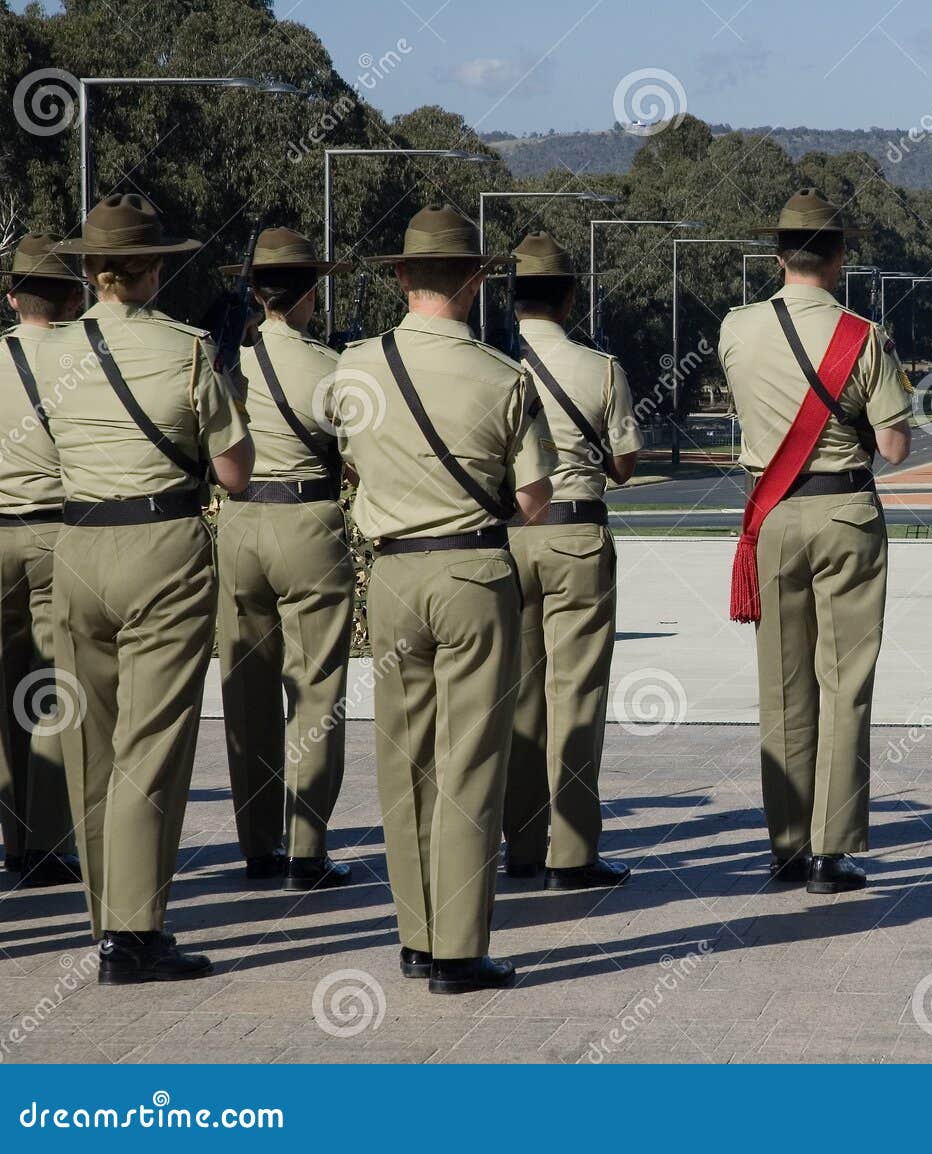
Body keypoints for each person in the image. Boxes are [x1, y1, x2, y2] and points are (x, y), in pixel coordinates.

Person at [333, 205, 554, 995]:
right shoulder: (503, 376)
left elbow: (349, 463)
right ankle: (459, 948)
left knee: (403, 759)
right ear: (477, 278)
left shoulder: (353, 368)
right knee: (470, 764)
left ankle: (418, 935)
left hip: (391, 574)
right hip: (471, 571)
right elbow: (532, 502)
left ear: (401, 276)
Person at [45, 194, 255, 982]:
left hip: (75, 545)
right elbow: (235, 473)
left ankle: (106, 918)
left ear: (90, 270)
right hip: (160, 545)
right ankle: (132, 937)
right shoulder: (190, 350)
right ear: (156, 269)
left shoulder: (47, 354)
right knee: (149, 746)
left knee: (90, 744)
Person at [717, 189, 912, 894]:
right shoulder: (862, 336)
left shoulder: (735, 328)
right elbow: (893, 446)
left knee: (783, 685)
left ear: (779, 257)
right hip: (844, 513)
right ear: (839, 258)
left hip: (770, 516)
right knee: (845, 683)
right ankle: (833, 852)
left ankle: (787, 843)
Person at [215, 228, 355, 889]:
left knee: (247, 693)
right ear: (310, 293)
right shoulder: (330, 367)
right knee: (316, 690)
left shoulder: (221, 362)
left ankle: (257, 845)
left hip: (239, 522)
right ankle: (306, 849)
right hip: (307, 520)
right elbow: (355, 457)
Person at [502, 232, 641, 889]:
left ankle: (522, 845)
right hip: (575, 532)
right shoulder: (602, 368)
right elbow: (624, 465)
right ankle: (573, 852)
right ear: (569, 298)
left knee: (518, 699)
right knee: (576, 697)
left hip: (505, 537)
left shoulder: (491, 366)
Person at [0, 232, 84, 887]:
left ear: (11, 298)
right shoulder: (84, 360)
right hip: (59, 533)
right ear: (73, 298)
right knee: (51, 689)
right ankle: (49, 844)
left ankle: (11, 834)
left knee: (4, 688)